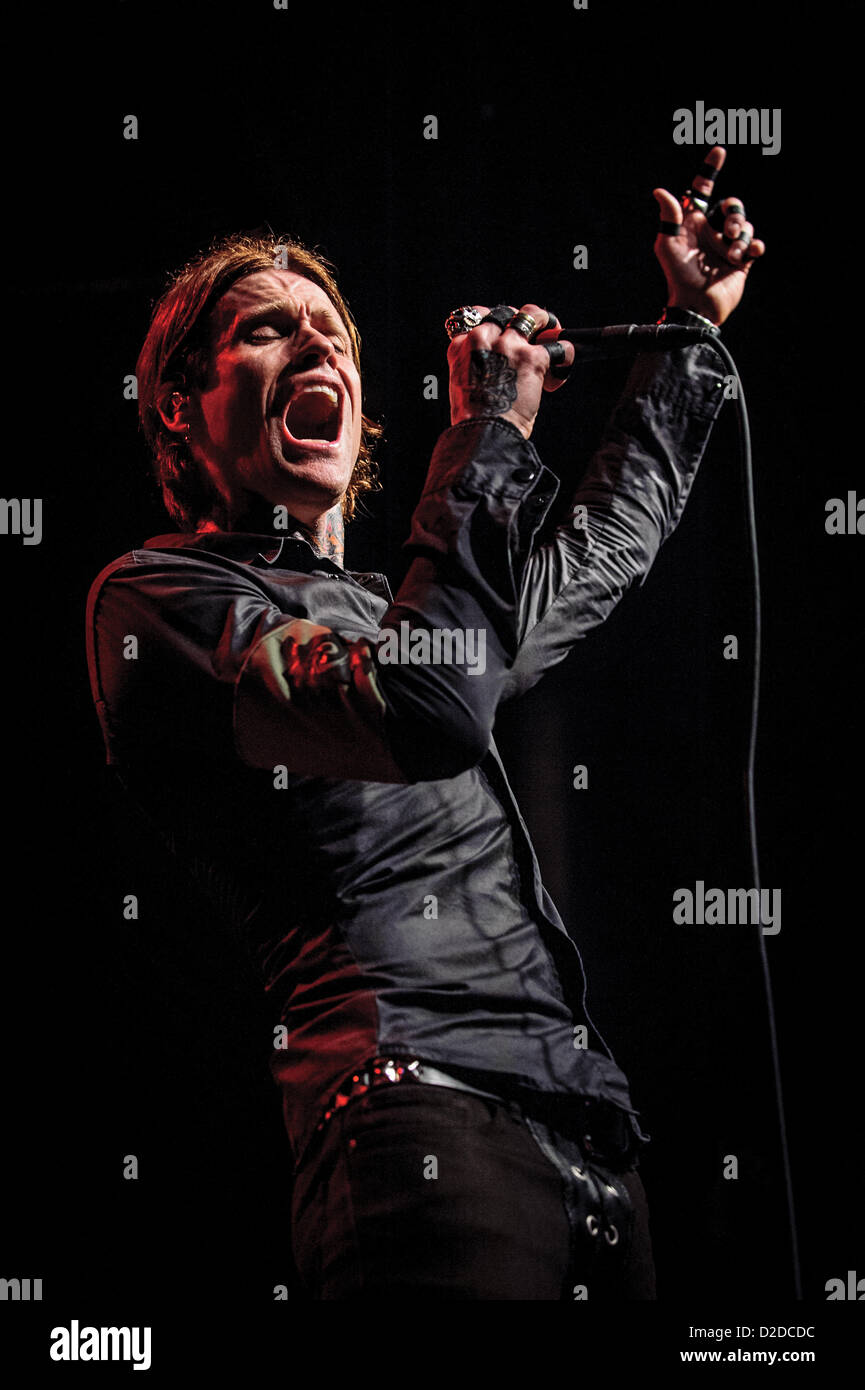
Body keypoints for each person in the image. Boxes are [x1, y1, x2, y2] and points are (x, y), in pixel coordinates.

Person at [85, 145, 764, 1300]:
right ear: (176, 406)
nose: (318, 342)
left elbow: (596, 556)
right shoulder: (159, 597)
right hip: (413, 1130)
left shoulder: (405, 611)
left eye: (332, 330)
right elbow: (421, 708)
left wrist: (690, 330)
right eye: (266, 330)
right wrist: (489, 433)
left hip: (588, 1144)